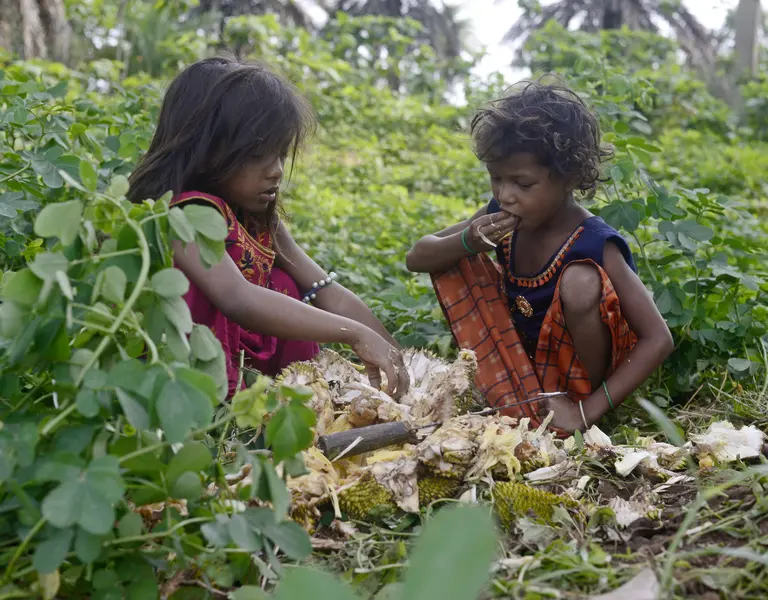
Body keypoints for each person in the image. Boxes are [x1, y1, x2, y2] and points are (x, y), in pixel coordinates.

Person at [128, 55, 409, 400]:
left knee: (286, 284)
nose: (276, 170)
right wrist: (353, 334)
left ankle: (298, 400)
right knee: (234, 290)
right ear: (206, 147)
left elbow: (324, 289)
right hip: (187, 380)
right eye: (257, 154)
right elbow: (237, 299)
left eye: (281, 154)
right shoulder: (182, 214)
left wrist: (397, 355)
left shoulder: (259, 220)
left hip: (250, 368)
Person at [406, 79, 673, 435]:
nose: (505, 195)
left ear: (569, 178)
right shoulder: (497, 218)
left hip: (583, 384)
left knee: (580, 282)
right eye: (496, 178)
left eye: (523, 184)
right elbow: (417, 257)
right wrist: (469, 242)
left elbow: (658, 338)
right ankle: (510, 391)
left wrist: (584, 413)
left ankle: (576, 407)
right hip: (519, 365)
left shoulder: (595, 243)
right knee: (456, 254)